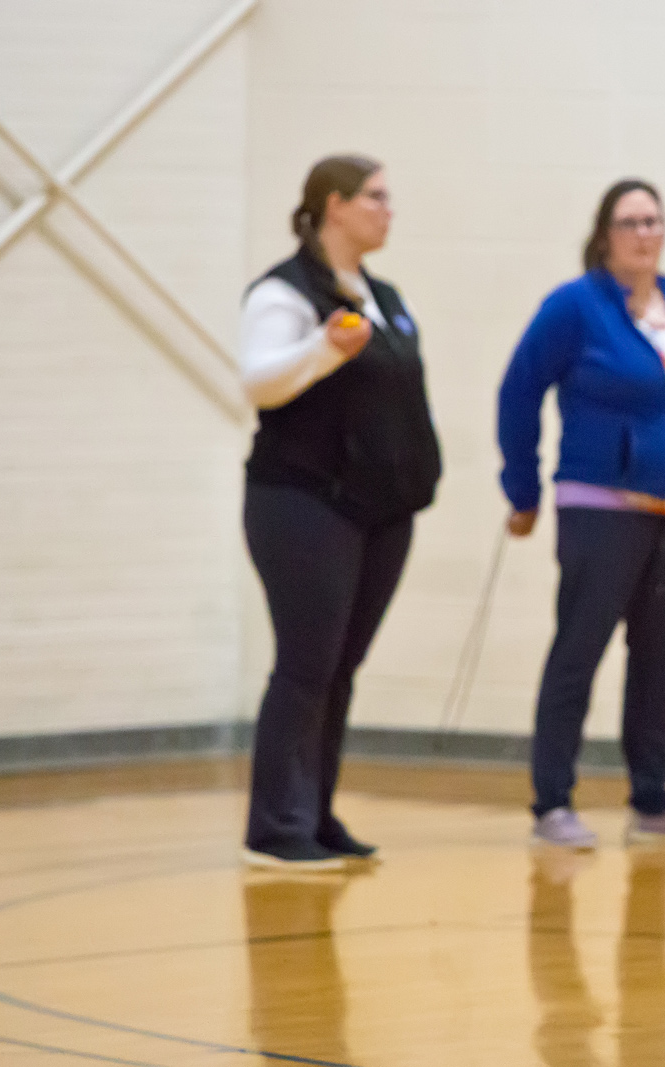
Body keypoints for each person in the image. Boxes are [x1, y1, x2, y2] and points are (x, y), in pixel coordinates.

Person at [498, 179, 665, 850]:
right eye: (631, 221)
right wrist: (519, 488)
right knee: (578, 652)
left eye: (654, 220)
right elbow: (519, 391)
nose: (644, 232)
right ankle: (552, 802)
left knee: (661, 659)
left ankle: (652, 801)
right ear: (605, 233)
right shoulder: (575, 306)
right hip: (600, 510)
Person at [237, 155, 441, 869]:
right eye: (376, 197)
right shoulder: (285, 292)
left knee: (342, 665)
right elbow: (259, 385)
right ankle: (274, 826)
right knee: (306, 663)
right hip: (301, 504)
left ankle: (316, 814)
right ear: (334, 205)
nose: (388, 209)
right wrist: (325, 348)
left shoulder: (382, 292)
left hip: (380, 511)